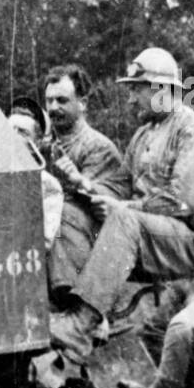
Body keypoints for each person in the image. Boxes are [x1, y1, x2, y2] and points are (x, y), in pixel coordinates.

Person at [51, 47, 194, 362]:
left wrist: (123, 209)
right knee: (69, 213)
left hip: (191, 243)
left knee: (124, 221)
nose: (130, 99)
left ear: (161, 90)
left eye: (136, 90)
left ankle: (81, 325)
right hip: (149, 235)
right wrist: (88, 188)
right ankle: (74, 310)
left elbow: (180, 202)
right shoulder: (142, 136)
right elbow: (122, 188)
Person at [42, 64, 132, 299]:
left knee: (60, 212)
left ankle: (68, 294)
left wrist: (75, 182)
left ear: (82, 103)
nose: (53, 108)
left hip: (90, 241)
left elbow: (98, 204)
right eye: (49, 101)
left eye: (62, 100)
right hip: (59, 237)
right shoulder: (46, 145)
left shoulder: (98, 147)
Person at [7, 98, 63, 248]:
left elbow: (45, 241)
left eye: (22, 132)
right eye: (9, 130)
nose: (13, 137)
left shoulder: (47, 184)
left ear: (36, 143)